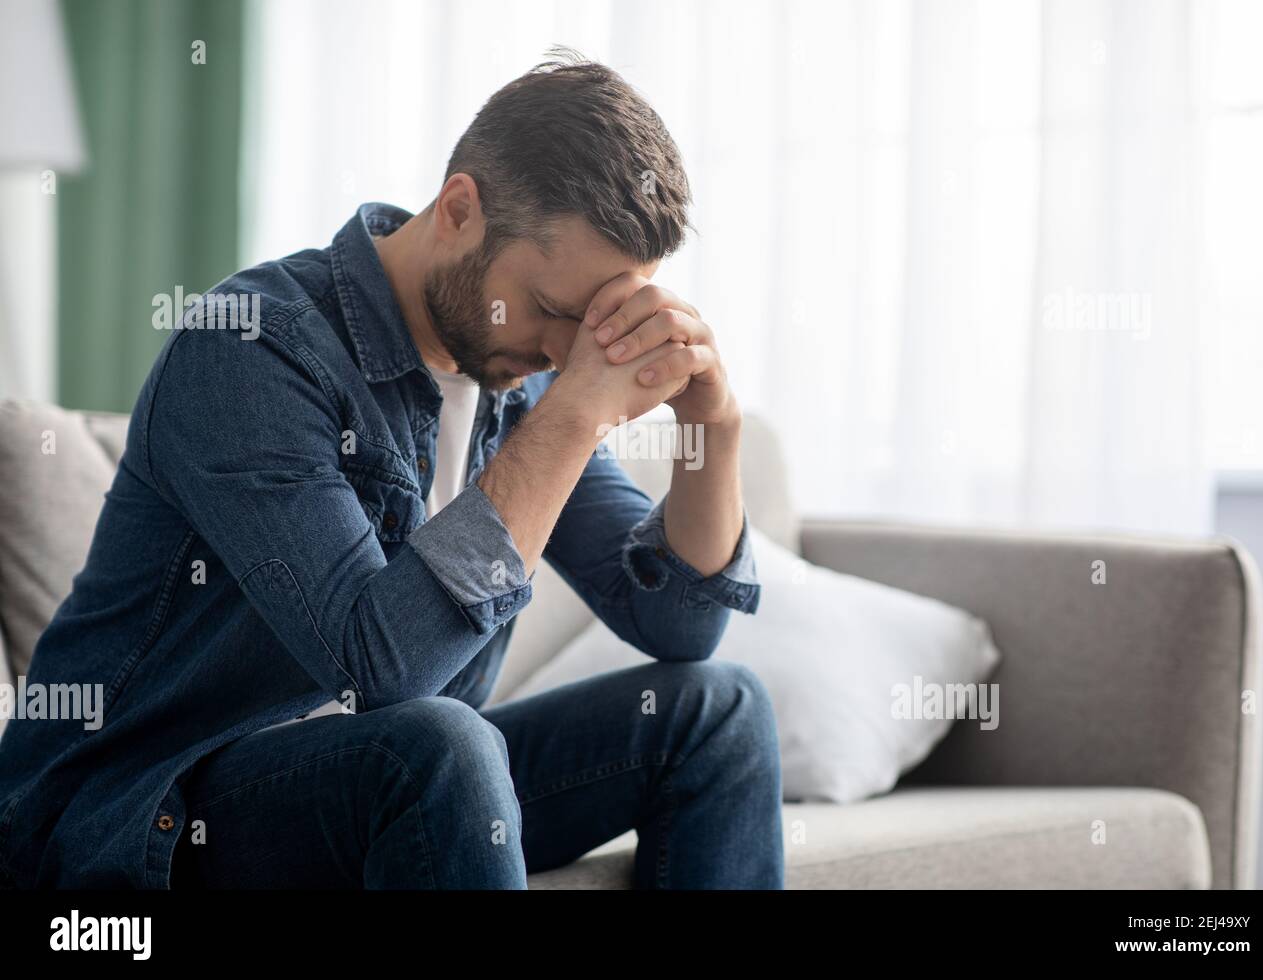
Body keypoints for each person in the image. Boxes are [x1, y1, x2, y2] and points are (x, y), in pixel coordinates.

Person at [0, 51, 782, 890]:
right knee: (441, 742)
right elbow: (382, 670)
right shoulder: (253, 346)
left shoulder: (519, 383)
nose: (565, 352)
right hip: (142, 811)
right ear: (458, 209)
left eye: (591, 321)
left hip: (390, 786)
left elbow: (679, 628)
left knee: (718, 710)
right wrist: (573, 414)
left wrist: (715, 423)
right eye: (555, 310)